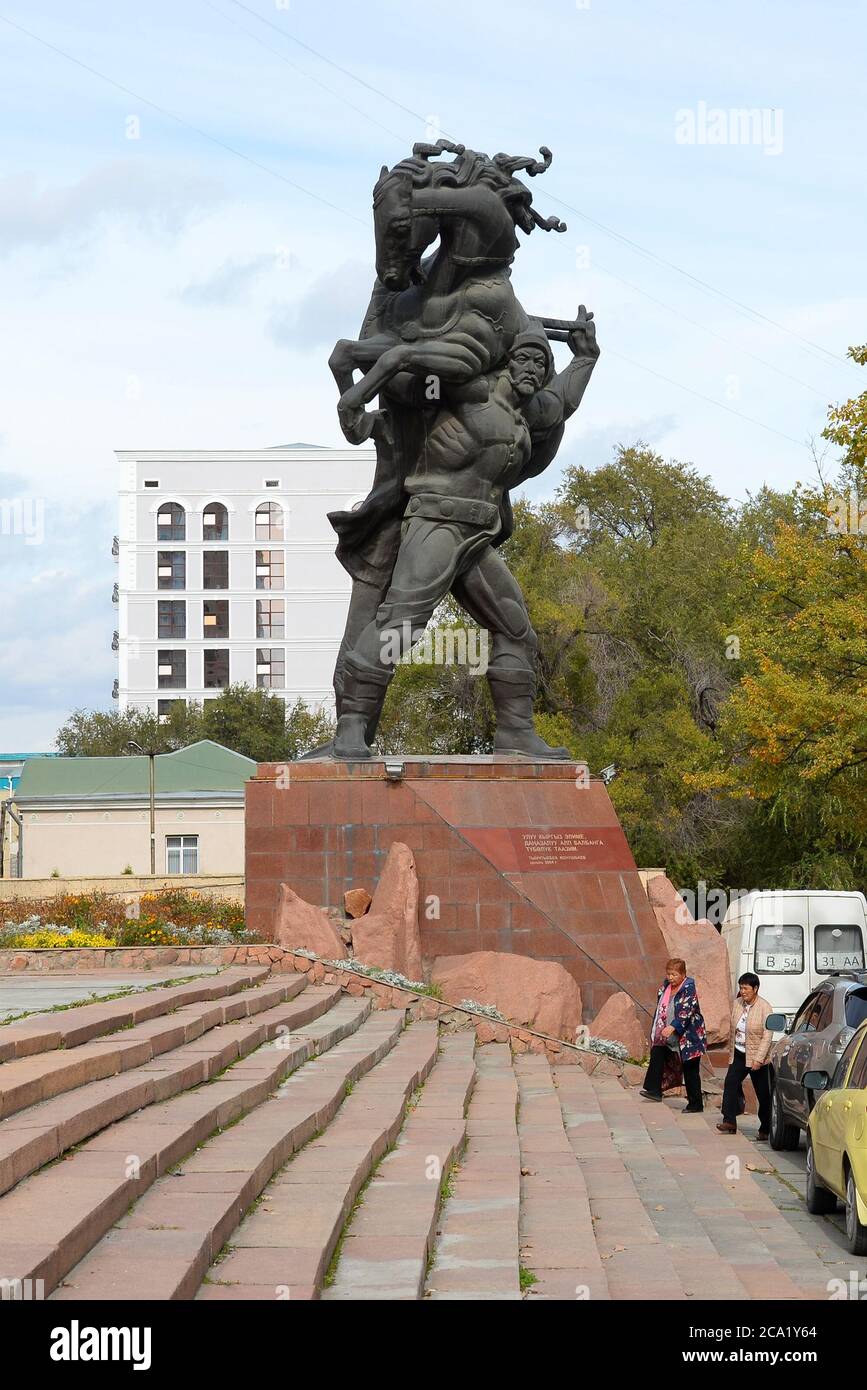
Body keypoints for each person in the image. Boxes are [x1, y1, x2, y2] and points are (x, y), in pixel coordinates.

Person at [640, 958, 707, 1112]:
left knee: (690, 1069)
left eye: (674, 975)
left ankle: (695, 1104)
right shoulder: (665, 987)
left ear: (683, 974)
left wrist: (672, 1026)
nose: (671, 977)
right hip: (667, 1034)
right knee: (657, 1052)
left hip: (689, 1037)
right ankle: (654, 1090)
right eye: (669, 974)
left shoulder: (689, 988)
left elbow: (686, 1011)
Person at [717, 972, 774, 1140]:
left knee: (763, 1094)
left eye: (746, 988)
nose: (743, 991)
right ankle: (729, 1121)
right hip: (740, 1053)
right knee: (730, 1083)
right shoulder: (737, 1004)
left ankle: (765, 1128)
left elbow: (767, 1035)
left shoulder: (765, 1007)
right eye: (741, 987)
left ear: (755, 988)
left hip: (758, 1058)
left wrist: (759, 1059)